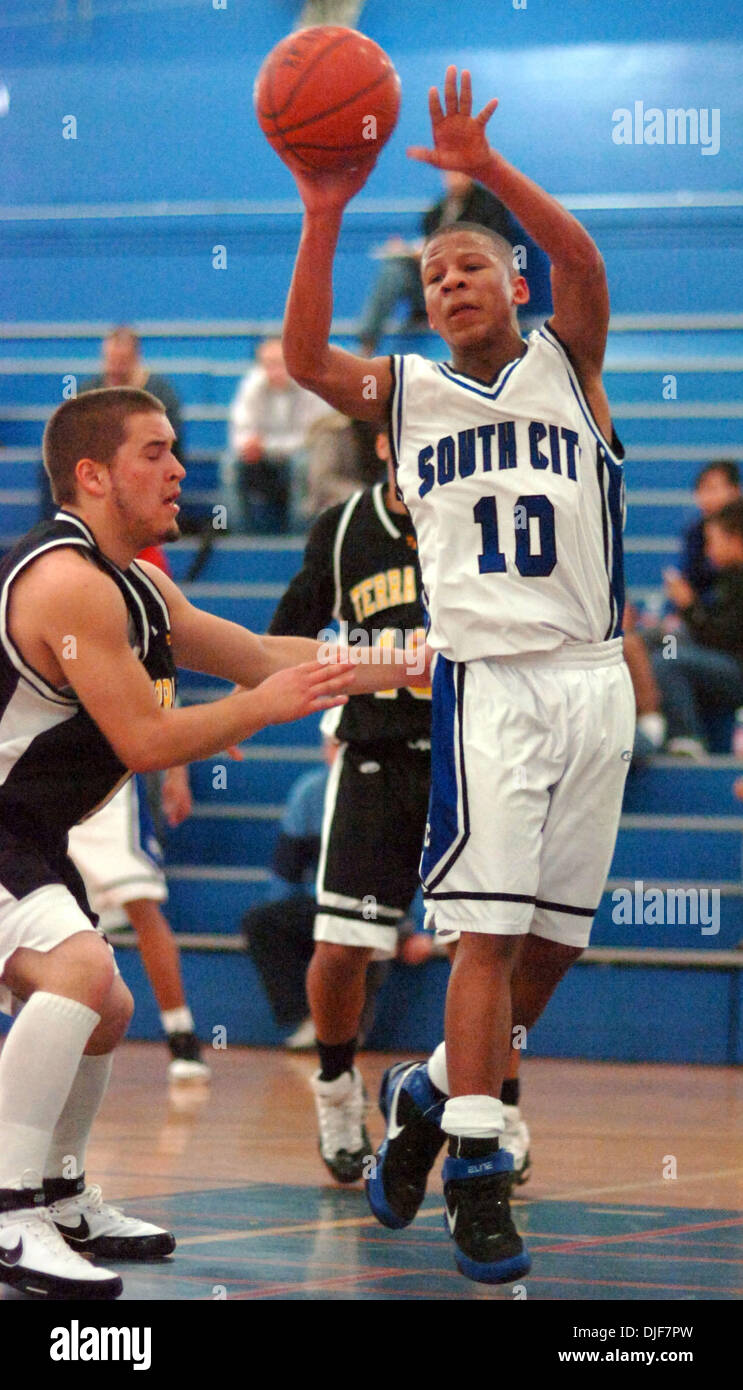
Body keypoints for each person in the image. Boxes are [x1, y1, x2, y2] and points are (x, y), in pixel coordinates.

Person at [280, 66, 635, 1284]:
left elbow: (581, 257)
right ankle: (476, 1174)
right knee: (482, 934)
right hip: (483, 681)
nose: (447, 282)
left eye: (469, 265)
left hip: (593, 676)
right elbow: (301, 354)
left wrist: (486, 176)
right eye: (433, 275)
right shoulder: (410, 394)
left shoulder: (566, 360)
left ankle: (430, 1089)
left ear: (513, 284)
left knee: (553, 944)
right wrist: (326, 209)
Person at [0, 385, 425, 1299]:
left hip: (24, 831)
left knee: (105, 1005)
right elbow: (147, 744)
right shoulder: (64, 579)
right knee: (78, 977)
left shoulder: (141, 583)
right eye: (154, 451)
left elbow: (263, 655)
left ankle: (63, 1195)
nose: (180, 467)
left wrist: (416, 662)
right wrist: (257, 710)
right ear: (92, 474)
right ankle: (8, 1211)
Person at [267, 433, 434, 1183]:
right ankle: (336, 1087)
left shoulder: (476, 519)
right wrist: (249, 705)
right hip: (374, 752)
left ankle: (500, 1106)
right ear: (381, 443)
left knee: (494, 948)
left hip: (471, 757)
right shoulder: (341, 528)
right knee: (339, 947)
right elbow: (287, 632)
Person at [67, 768, 211, 1082]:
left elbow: (163, 716)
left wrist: (177, 772)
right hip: (28, 773)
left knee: (141, 903)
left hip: (102, 779)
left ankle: (181, 1034)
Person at [358, 171, 518, 356]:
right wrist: (409, 251)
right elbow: (427, 243)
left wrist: (443, 255)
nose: (453, 177)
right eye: (449, 173)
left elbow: (493, 250)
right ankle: (367, 346)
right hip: (436, 285)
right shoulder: (438, 210)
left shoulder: (490, 207)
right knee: (393, 270)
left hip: (469, 285)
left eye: (459, 172)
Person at [652, 499, 743, 757]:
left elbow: (723, 637)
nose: (708, 550)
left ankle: (687, 739)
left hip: (736, 668)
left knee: (668, 661)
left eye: (712, 541)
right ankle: (651, 722)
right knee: (664, 641)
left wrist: (688, 605)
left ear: (736, 539)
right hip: (725, 660)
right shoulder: (728, 576)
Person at [225, 337, 331, 533]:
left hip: (301, 457)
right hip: (262, 460)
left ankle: (298, 535)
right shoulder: (251, 384)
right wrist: (248, 446)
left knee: (302, 464)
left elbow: (312, 438)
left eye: (280, 364)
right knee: (229, 464)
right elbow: (240, 431)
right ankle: (240, 536)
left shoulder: (310, 385)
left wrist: (266, 446)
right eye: (267, 364)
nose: (274, 371)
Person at [80, 327, 184, 460]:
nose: (114, 369)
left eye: (121, 362)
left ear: (136, 359)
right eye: (110, 361)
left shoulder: (161, 396)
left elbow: (172, 448)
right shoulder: (88, 394)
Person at [679, 460, 741, 601]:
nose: (707, 497)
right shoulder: (694, 532)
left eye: (713, 489)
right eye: (702, 490)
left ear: (735, 490)